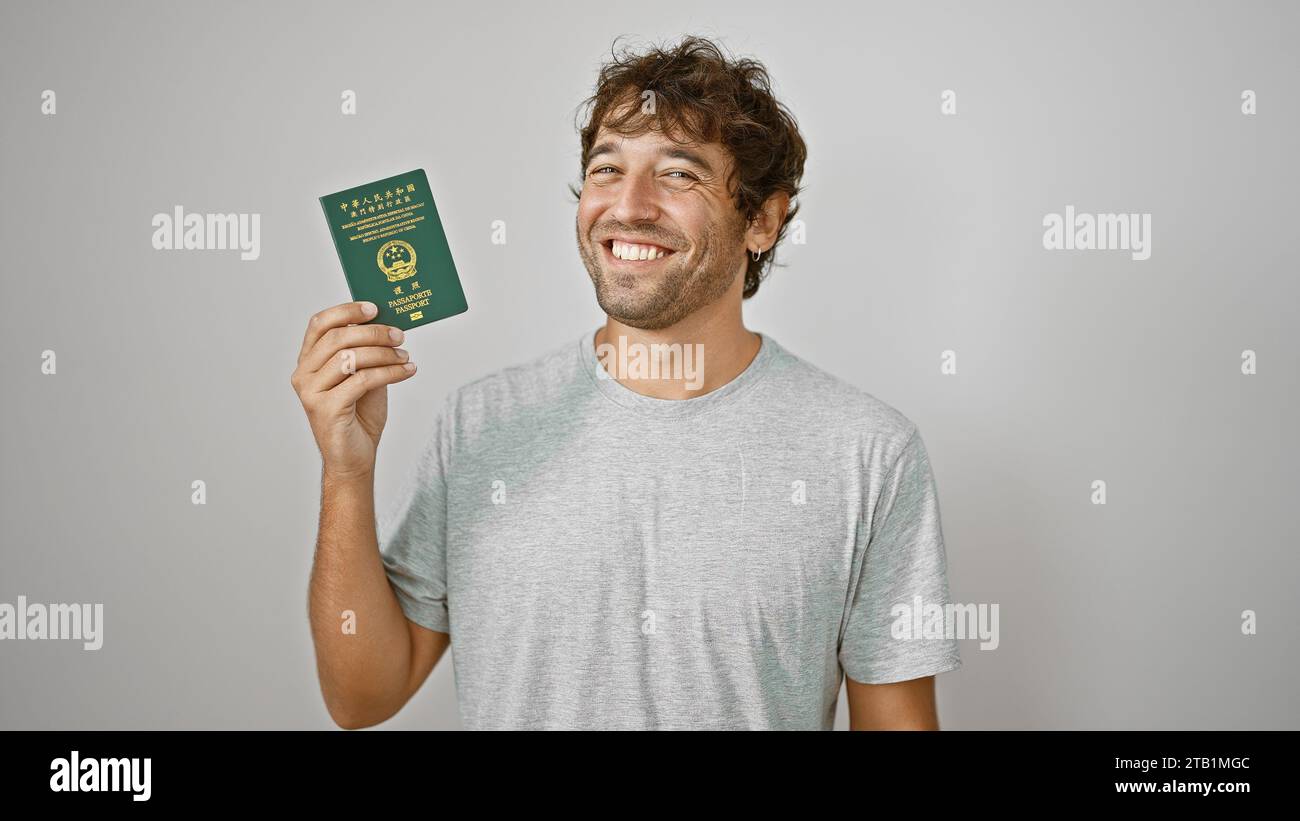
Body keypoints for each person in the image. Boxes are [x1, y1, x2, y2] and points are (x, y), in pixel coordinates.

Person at [291, 34, 960, 730]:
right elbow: (361, 696)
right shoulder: (479, 423)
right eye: (607, 169)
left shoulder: (868, 453)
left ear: (762, 219)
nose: (630, 205)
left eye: (678, 175)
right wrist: (346, 471)